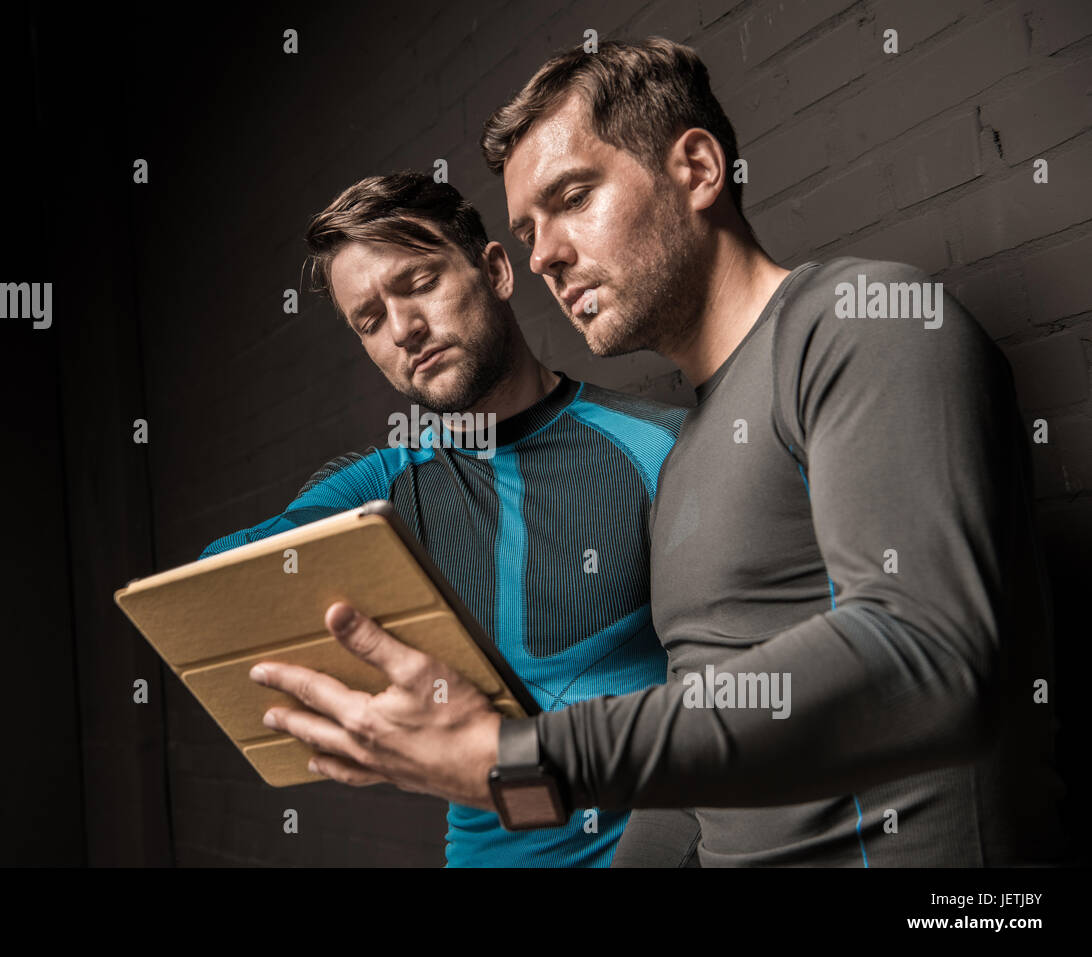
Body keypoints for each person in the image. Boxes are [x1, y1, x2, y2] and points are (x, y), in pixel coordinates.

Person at [250, 38, 1067, 867]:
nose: (545, 255)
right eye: (529, 230)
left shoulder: (864, 323)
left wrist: (523, 753)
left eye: (574, 198)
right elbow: (690, 781)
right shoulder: (688, 455)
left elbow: (925, 656)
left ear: (699, 169)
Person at [200, 170, 696, 866]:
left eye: (420, 283)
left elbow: (736, 707)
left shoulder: (662, 448)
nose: (404, 329)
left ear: (495, 271)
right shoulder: (382, 485)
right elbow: (215, 584)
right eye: (370, 320)